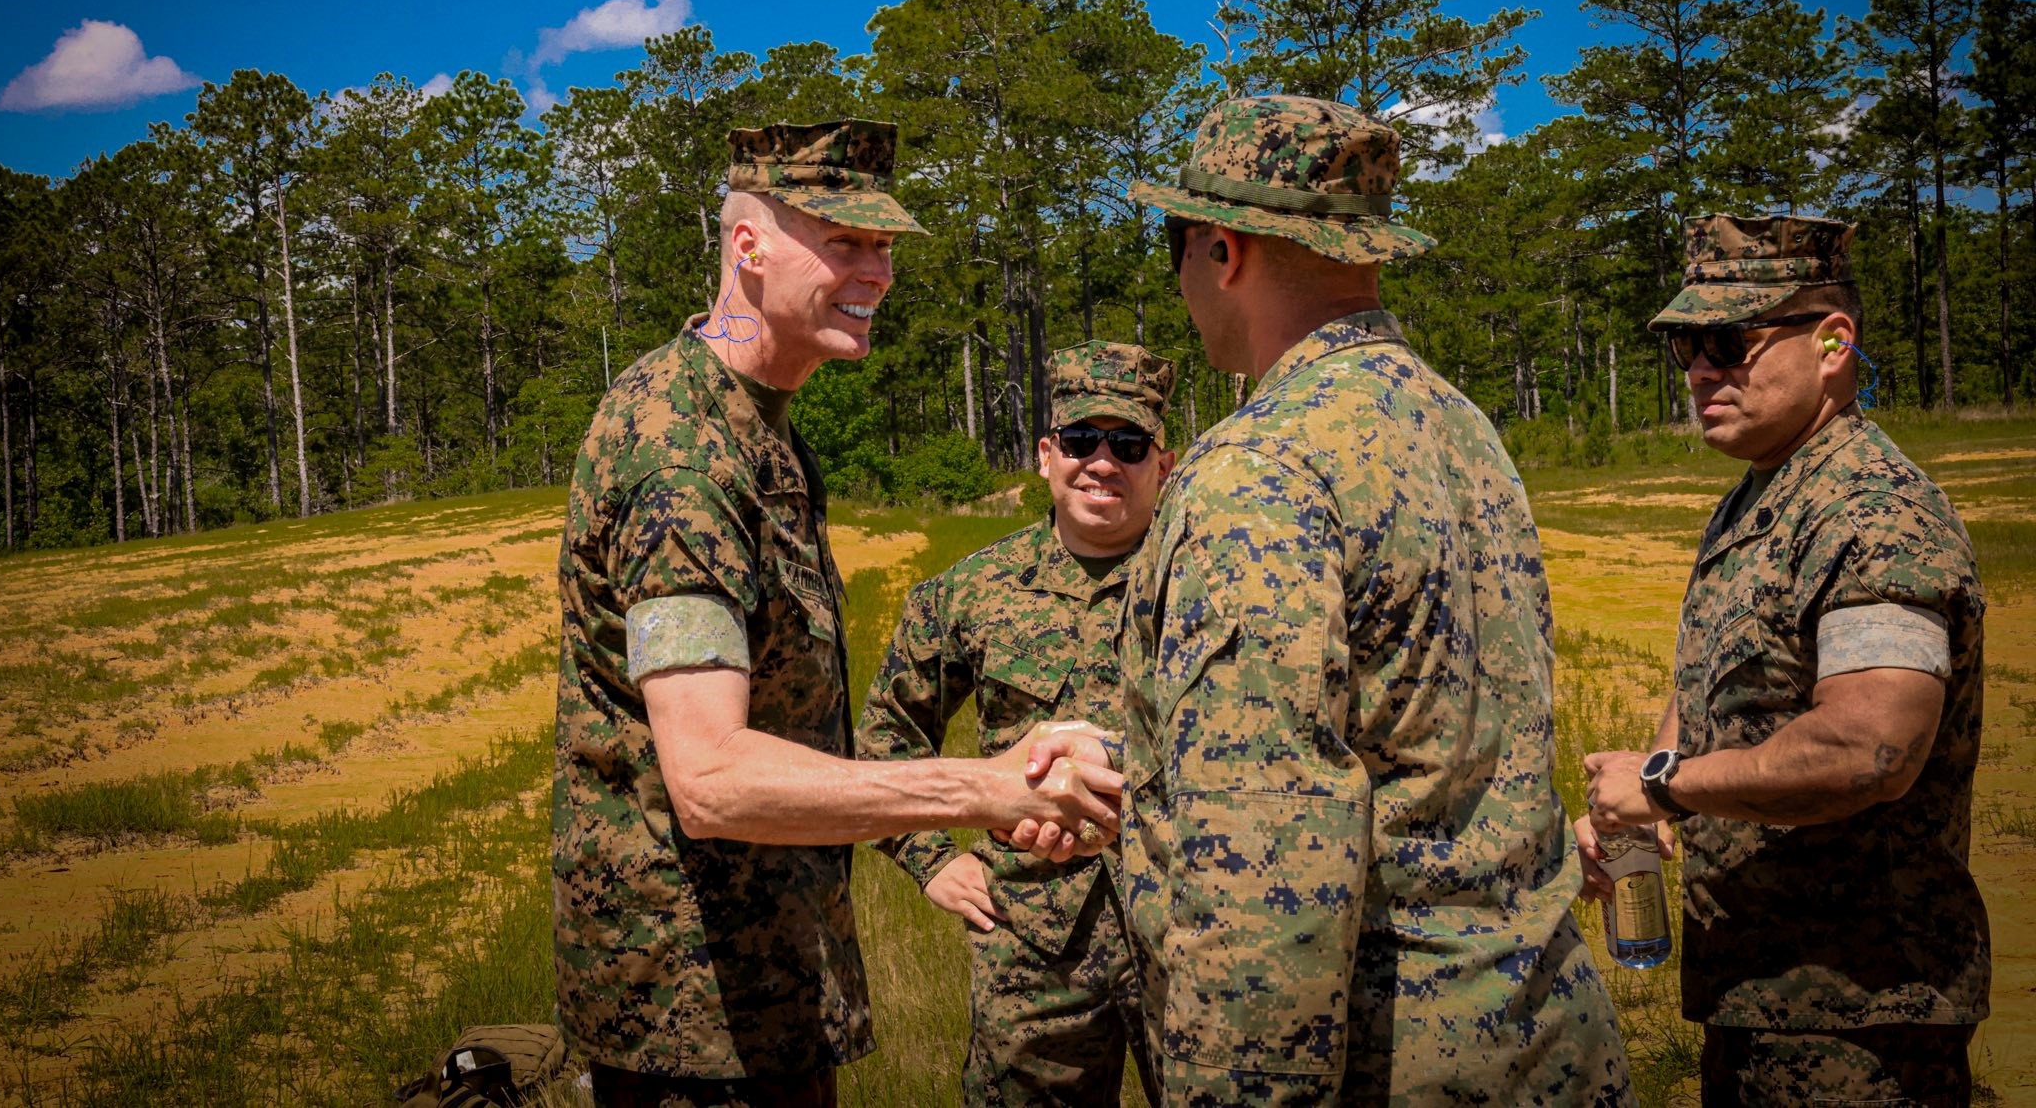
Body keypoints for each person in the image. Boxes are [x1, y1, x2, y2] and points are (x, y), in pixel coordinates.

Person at [1027, 94, 1632, 1105]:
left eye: (1173, 248)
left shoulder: (1261, 465)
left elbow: (1265, 872)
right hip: (1541, 1033)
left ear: (1221, 249)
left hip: (1389, 1058)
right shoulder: (1460, 429)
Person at [553, 119, 1124, 1108]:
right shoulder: (682, 449)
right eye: (846, 241)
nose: (877, 271)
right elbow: (711, 780)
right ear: (748, 247)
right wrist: (980, 791)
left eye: (886, 246)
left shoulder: (760, 428)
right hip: (690, 1020)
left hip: (761, 991)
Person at [1578, 213, 1989, 1107]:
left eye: (1729, 341)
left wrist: (1666, 784)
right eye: (1688, 346)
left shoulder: (1873, 515)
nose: (1700, 371)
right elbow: (1722, 689)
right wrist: (1652, 805)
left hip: (1864, 1018)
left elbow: (1868, 749)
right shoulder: (1760, 500)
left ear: (1833, 343)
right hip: (1762, 1000)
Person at [857, 341, 1177, 1106]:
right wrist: (931, 859)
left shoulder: (1210, 587)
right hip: (1033, 949)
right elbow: (883, 735)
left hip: (1188, 932)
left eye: (1128, 445)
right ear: (1046, 455)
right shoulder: (971, 594)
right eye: (1080, 442)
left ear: (1162, 467)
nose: (1103, 462)